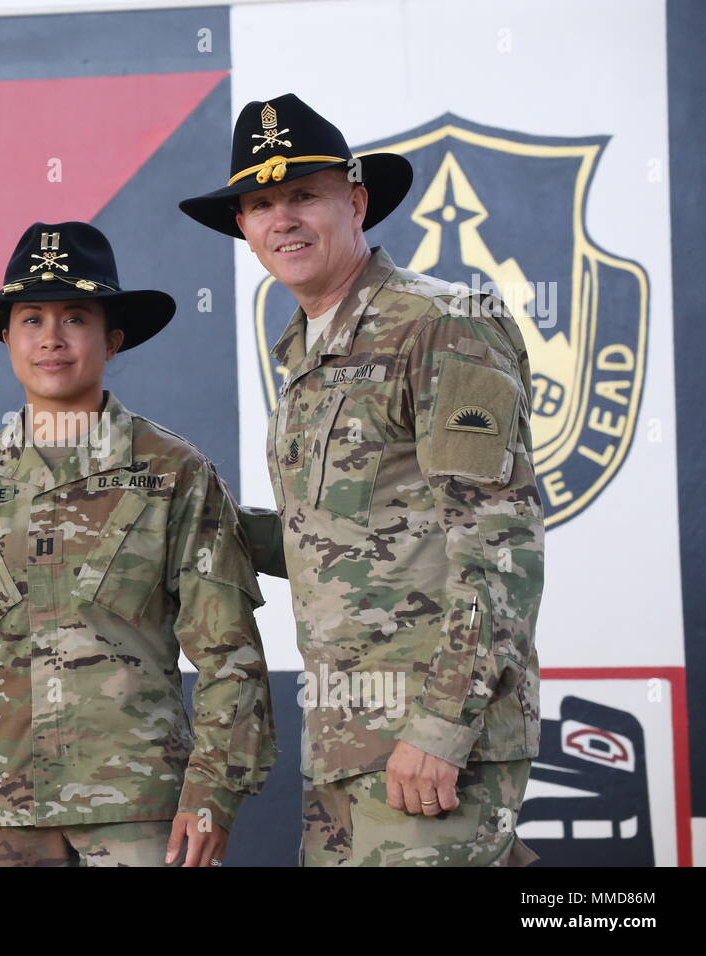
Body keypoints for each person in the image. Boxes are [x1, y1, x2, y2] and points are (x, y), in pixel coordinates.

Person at [180, 95, 543, 866]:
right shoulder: (307, 353)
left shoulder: (442, 323)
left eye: (304, 195)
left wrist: (441, 728)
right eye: (261, 204)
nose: (284, 219)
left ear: (355, 201)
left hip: (432, 744)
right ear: (244, 231)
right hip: (347, 740)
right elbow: (342, 540)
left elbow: (499, 549)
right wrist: (190, 518)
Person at [0, 221, 274, 867]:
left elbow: (227, 652)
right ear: (6, 337)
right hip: (5, 811)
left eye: (75, 316)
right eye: (31, 319)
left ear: (113, 339)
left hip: (142, 806)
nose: (51, 337)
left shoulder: (172, 474)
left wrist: (214, 789)